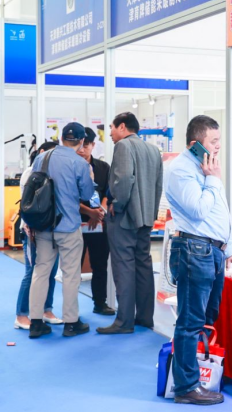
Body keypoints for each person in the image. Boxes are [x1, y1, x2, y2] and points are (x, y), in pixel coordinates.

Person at [165, 115, 232, 405]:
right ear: (194, 143)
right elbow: (198, 210)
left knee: (206, 319)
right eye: (213, 141)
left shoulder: (207, 166)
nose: (218, 146)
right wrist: (213, 180)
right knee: (190, 322)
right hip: (194, 250)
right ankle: (186, 387)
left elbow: (218, 210)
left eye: (218, 140)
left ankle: (199, 377)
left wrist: (231, 247)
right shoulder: (181, 170)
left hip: (212, 250)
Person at [27, 122, 95, 339]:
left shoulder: (42, 158)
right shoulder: (80, 163)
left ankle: (35, 322)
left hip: (43, 224)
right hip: (68, 226)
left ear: (61, 138)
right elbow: (86, 195)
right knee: (70, 275)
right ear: (82, 141)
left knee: (41, 271)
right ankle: (71, 323)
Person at [98, 112, 163, 335]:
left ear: (122, 127)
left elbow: (124, 179)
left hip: (125, 218)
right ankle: (144, 317)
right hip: (146, 218)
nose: (110, 133)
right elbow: (158, 185)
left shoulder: (123, 146)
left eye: (111, 127)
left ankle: (124, 321)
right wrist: (151, 213)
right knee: (143, 265)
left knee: (123, 266)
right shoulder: (153, 150)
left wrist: (117, 204)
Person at [14, 142, 62, 330]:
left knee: (51, 271)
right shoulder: (32, 173)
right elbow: (29, 205)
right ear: (42, 153)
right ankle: (21, 315)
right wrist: (30, 224)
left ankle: (46, 310)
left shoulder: (51, 172)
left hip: (51, 229)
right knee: (32, 272)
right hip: (32, 230)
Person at [77, 127, 115, 316]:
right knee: (73, 267)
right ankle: (71, 308)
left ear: (93, 145)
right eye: (79, 145)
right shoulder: (70, 167)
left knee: (100, 264)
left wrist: (99, 211)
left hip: (99, 223)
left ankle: (100, 302)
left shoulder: (103, 167)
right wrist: (89, 212)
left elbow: (108, 192)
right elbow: (67, 197)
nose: (82, 149)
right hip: (76, 223)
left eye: (86, 145)